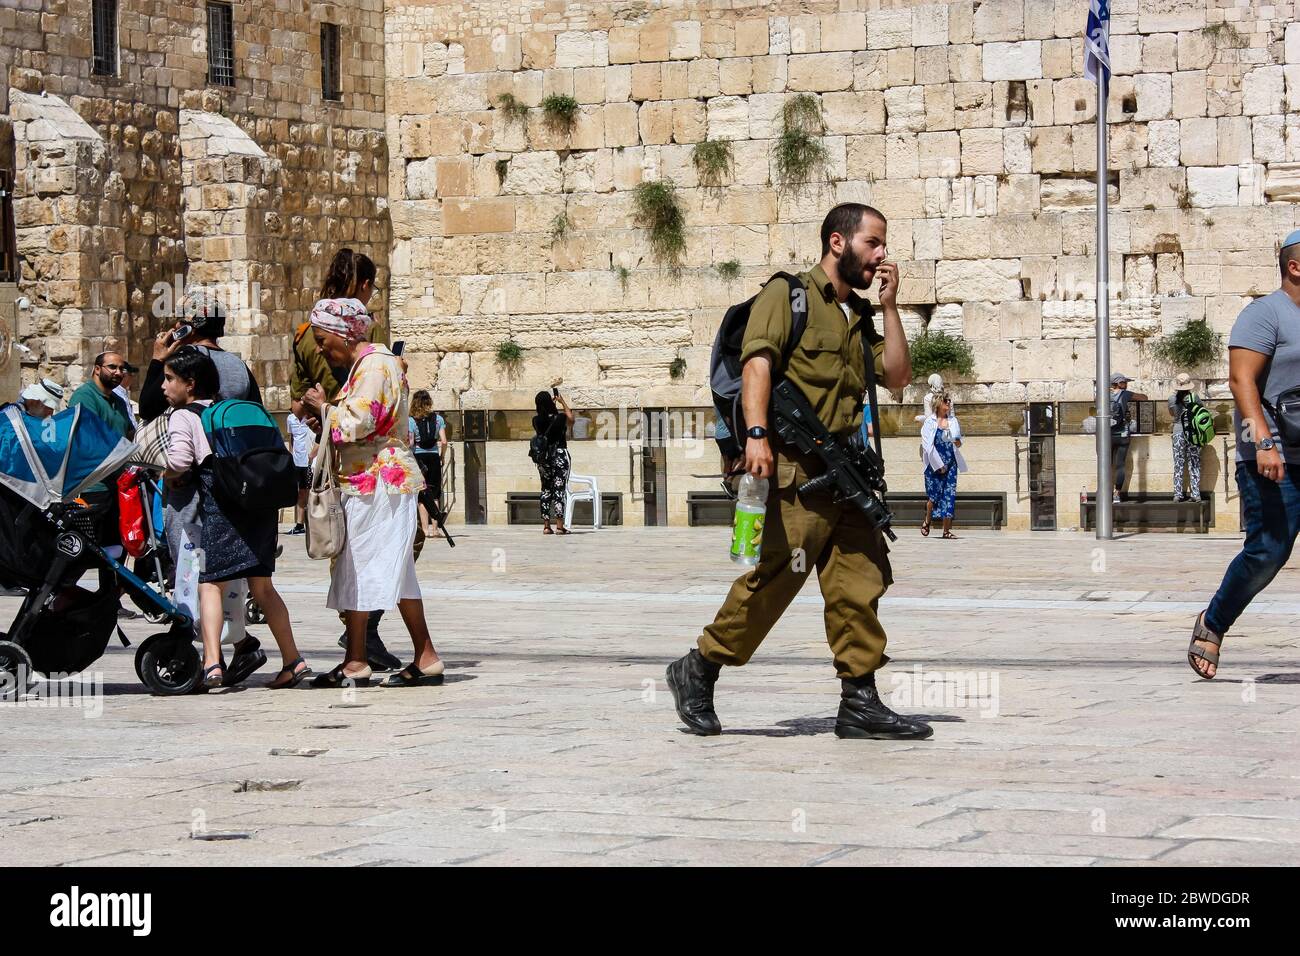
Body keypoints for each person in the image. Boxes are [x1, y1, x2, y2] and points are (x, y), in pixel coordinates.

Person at [666, 202, 931, 740]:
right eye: (873, 243)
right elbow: (756, 363)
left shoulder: (858, 317)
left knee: (859, 584)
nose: (882, 254)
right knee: (774, 581)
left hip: (846, 476)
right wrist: (757, 435)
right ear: (838, 242)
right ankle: (699, 667)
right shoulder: (786, 296)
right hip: (792, 470)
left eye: (883, 245)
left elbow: (899, 376)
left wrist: (890, 308)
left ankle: (859, 701)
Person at [300, 297, 445, 689]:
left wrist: (322, 407)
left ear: (342, 334)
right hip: (379, 481)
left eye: (321, 338)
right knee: (392, 570)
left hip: (375, 481)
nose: (318, 347)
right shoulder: (374, 365)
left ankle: (357, 661)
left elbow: (355, 424)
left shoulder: (374, 367)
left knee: (360, 565)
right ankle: (422, 656)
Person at [161, 347, 311, 689]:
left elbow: (181, 461)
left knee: (211, 582)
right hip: (260, 505)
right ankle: (293, 660)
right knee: (263, 587)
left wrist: (164, 475)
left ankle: (212, 663)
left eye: (170, 379)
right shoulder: (233, 411)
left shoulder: (185, 416)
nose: (163, 386)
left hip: (225, 505)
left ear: (190, 383)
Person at [1188, 229, 1300, 680]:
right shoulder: (1263, 315)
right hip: (1272, 460)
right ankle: (1213, 622)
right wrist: (1264, 443)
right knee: (1268, 551)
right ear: (1295, 266)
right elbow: (1241, 382)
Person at [293, 249, 403, 671]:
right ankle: (363, 642)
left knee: (358, 555)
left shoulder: (303, 332)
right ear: (362, 287)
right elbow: (361, 412)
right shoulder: (364, 350)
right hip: (364, 462)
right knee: (368, 556)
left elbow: (297, 394)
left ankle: (363, 646)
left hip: (348, 456)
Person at [139, 291, 260, 422]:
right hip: (232, 439)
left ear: (190, 327)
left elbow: (147, 409)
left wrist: (157, 360)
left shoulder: (185, 357)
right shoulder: (239, 364)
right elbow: (256, 410)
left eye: (181, 320)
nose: (177, 325)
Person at [921, 393, 966, 539]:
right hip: (934, 463)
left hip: (951, 462)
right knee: (934, 496)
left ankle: (946, 531)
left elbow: (958, 440)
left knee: (949, 495)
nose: (949, 403)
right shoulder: (929, 422)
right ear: (939, 403)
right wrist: (939, 465)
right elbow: (928, 446)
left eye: (949, 401)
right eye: (946, 401)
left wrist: (958, 442)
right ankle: (928, 518)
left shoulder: (953, 421)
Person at [533, 389, 574, 535]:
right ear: (550, 402)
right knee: (559, 490)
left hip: (544, 459)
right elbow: (571, 419)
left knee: (545, 490)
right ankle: (560, 526)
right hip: (560, 456)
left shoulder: (536, 420)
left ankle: (546, 526)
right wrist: (561, 401)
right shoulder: (560, 417)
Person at [408, 390, 448, 538]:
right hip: (433, 457)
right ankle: (436, 529)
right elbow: (443, 441)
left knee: (422, 494)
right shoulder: (438, 419)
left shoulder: (411, 420)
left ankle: (425, 530)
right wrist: (442, 456)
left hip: (419, 458)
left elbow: (411, 442)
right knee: (435, 493)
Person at [1108, 373, 1148, 503]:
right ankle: (1117, 494)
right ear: (1119, 383)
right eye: (1125, 382)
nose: (1127, 384)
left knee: (1105, 465)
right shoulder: (1125, 394)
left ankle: (1105, 493)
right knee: (1120, 465)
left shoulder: (1103, 394)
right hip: (1123, 435)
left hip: (1106, 435)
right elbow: (1144, 398)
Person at [1169, 372, 1204, 503]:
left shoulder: (1171, 399)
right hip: (1193, 434)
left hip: (1178, 433)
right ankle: (1195, 494)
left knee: (1178, 463)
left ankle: (1177, 494)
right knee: (1194, 462)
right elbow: (1202, 413)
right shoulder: (1195, 398)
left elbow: (1172, 414)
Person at [286, 410, 312, 535]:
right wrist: (291, 456)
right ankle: (300, 525)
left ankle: (314, 523)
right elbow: (291, 438)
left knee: (312, 493)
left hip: (311, 462)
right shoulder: (290, 419)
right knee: (301, 492)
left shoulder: (311, 417)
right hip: (298, 462)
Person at [114, 362, 139, 430]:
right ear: (124, 375)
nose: (132, 378)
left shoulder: (122, 392)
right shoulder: (118, 394)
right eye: (131, 375)